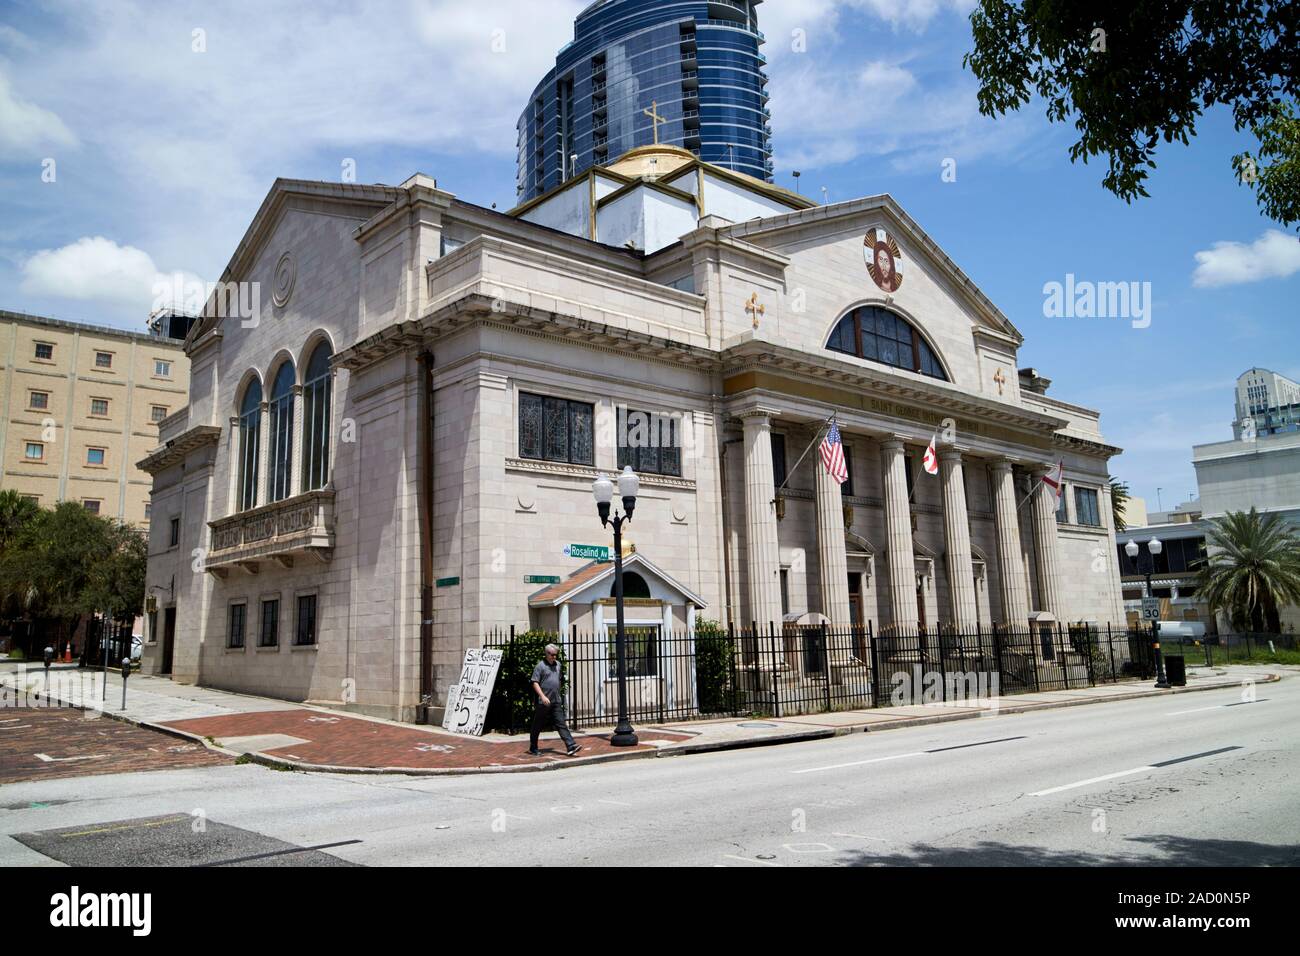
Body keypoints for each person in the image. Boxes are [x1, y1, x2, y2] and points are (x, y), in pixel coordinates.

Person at [528, 643, 581, 756]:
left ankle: (570, 745)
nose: (554, 657)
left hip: (556, 700)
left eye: (555, 655)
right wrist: (542, 696)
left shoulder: (558, 665)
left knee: (561, 723)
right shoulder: (540, 666)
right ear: (546, 654)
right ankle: (533, 747)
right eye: (552, 654)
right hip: (543, 701)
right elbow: (535, 682)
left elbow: (559, 679)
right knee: (537, 724)